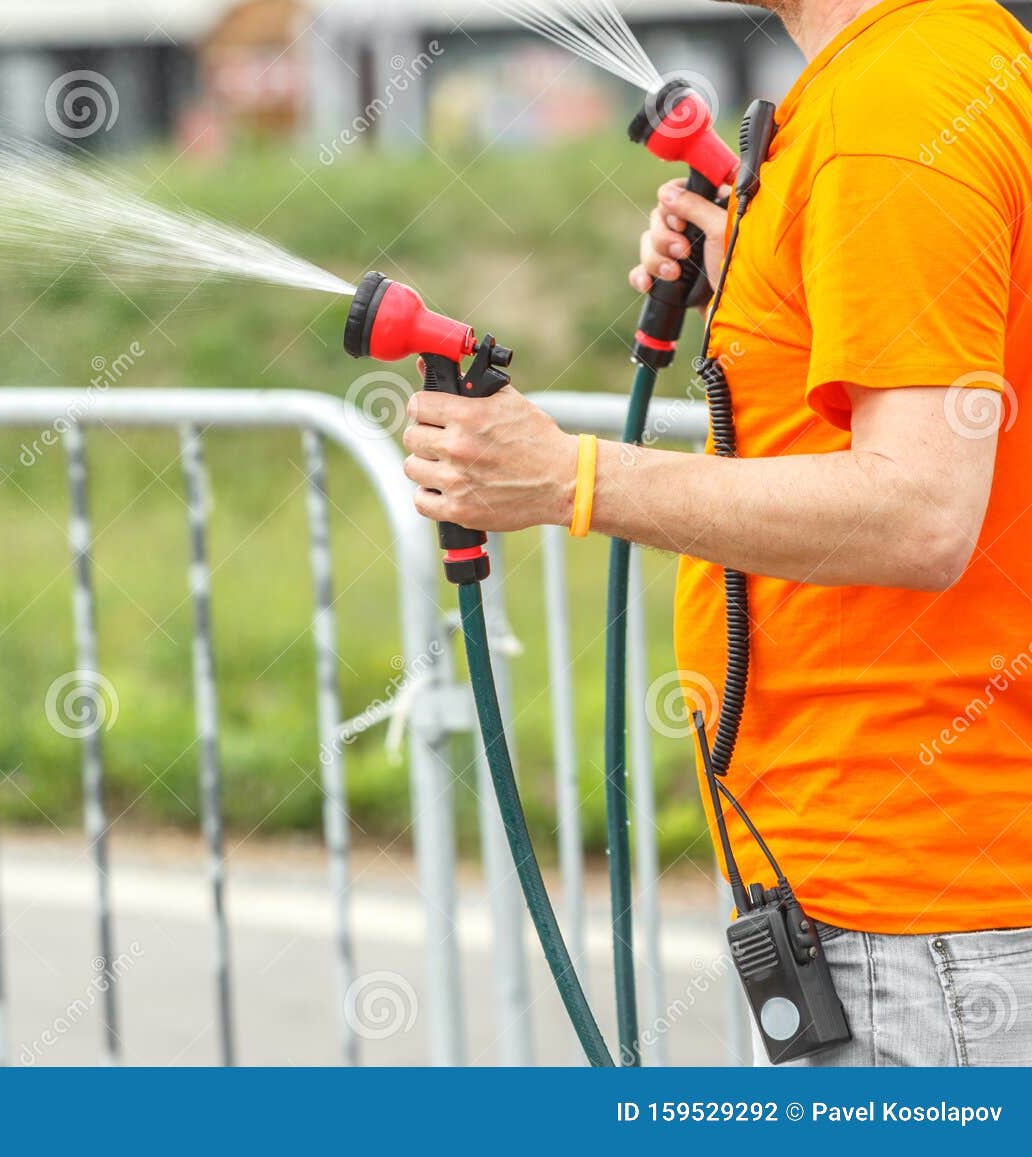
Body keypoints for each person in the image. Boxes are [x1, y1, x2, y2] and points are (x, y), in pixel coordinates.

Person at [403, 0, 1032, 1065]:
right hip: (912, 888)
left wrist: (569, 475)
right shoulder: (940, 66)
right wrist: (770, 272)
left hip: (924, 903)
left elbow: (920, 510)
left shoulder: (894, 107)